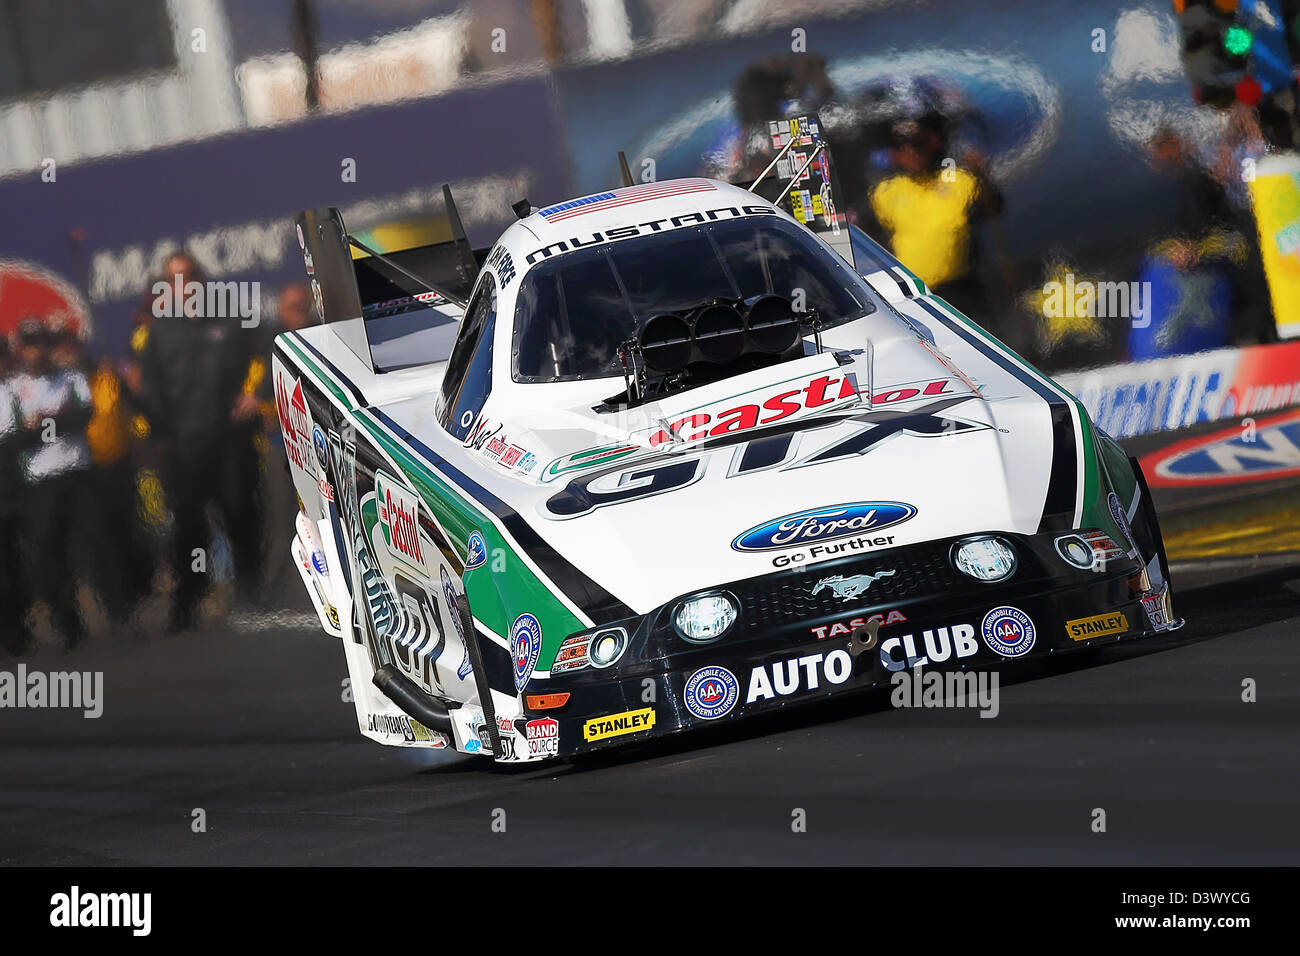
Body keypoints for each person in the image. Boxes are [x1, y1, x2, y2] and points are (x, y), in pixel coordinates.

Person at [138, 252, 266, 631]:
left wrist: (254, 394)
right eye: (175, 278)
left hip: (232, 441)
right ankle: (188, 604)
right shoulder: (160, 331)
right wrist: (160, 437)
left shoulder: (231, 313)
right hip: (185, 447)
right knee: (188, 528)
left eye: (190, 274)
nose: (185, 283)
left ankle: (253, 598)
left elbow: (272, 346)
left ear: (202, 276)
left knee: (243, 518)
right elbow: (151, 389)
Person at [6, 319, 93, 648]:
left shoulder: (70, 378)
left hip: (77, 471)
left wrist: (46, 422)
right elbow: (20, 439)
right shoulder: (13, 389)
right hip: (40, 478)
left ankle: (116, 613)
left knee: (87, 545)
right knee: (49, 550)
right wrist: (57, 422)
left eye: (41, 344)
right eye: (29, 345)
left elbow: (83, 417)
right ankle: (65, 621)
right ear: (21, 350)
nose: (36, 351)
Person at [867, 118, 1004, 320]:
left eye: (917, 145)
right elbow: (872, 242)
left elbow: (994, 209)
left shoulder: (958, 179)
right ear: (894, 154)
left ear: (931, 145)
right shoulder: (885, 192)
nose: (911, 153)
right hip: (912, 296)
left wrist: (983, 176)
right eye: (902, 147)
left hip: (962, 292)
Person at [0, 337, 33, 654]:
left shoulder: (15, 390)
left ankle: (17, 633)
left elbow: (27, 435)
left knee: (13, 565)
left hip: (15, 491)